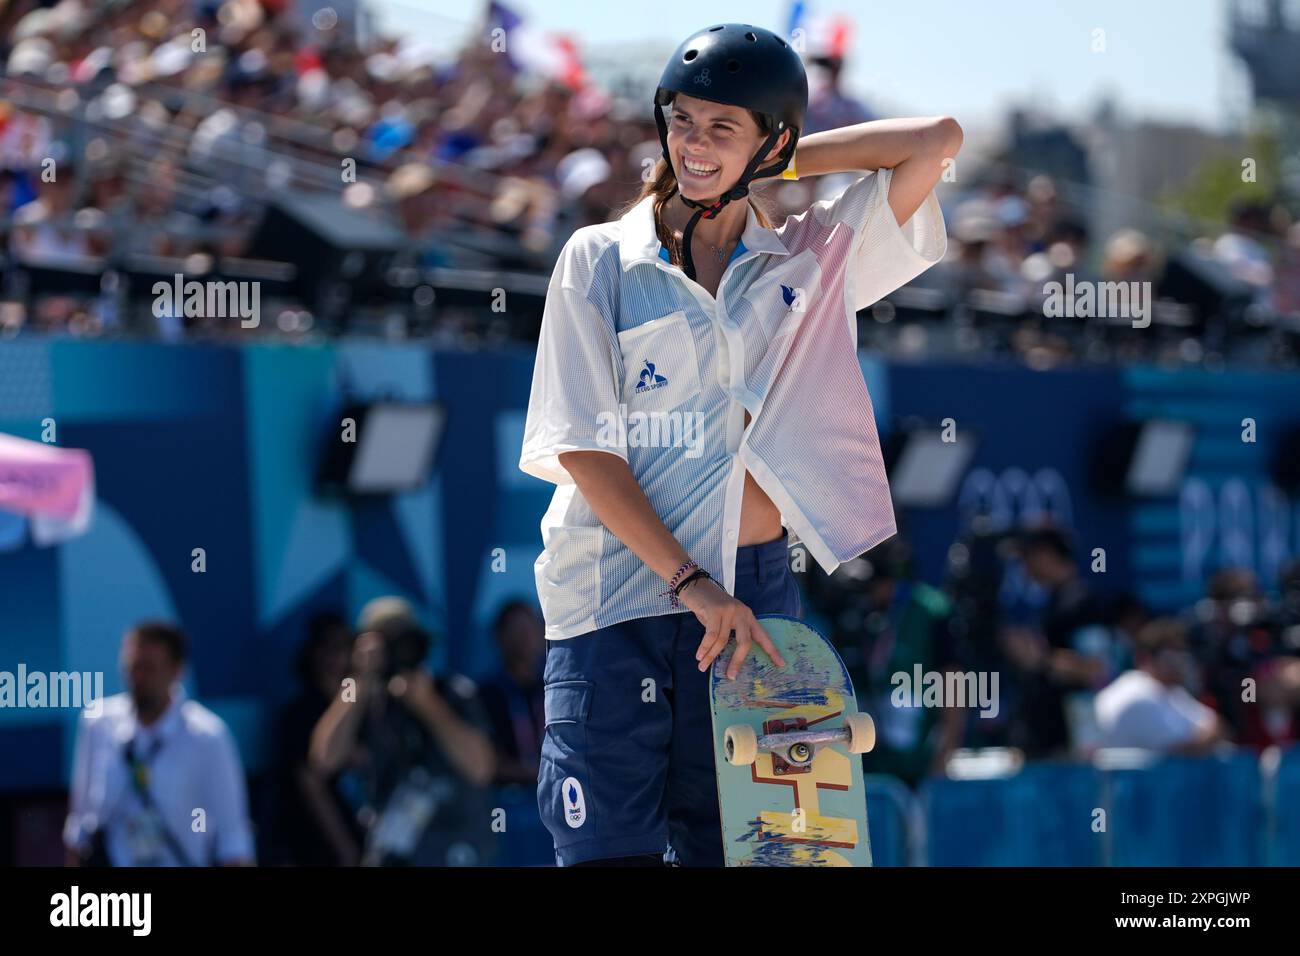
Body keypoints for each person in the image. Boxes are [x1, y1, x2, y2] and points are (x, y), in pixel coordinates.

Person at [519, 22, 956, 866]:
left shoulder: (810, 258)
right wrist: (691, 585)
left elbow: (936, 142)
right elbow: (584, 450)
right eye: (682, 121)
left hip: (755, 603)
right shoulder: (597, 260)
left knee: (761, 857)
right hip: (617, 598)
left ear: (774, 142)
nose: (693, 145)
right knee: (609, 857)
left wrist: (779, 162)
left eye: (723, 127)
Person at [309, 597, 497, 866]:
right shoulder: (361, 699)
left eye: (403, 641)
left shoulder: (452, 692)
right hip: (392, 854)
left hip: (459, 851)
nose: (398, 652)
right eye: (386, 644)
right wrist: (360, 679)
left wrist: (427, 704)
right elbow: (324, 759)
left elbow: (481, 768)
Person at [63, 621, 255, 867]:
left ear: (177, 671)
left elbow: (232, 837)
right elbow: (79, 824)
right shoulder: (97, 723)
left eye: (149, 669)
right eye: (132, 668)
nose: (138, 678)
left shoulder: (208, 737)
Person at [268, 610, 362, 866]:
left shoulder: (364, 707)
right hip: (313, 848)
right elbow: (311, 782)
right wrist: (346, 850)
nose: (335, 656)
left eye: (343, 647)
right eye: (327, 647)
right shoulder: (300, 714)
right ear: (312, 652)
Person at [1095, 618, 1227, 754]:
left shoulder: (1174, 691)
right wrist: (1208, 737)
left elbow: (1217, 723)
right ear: (1146, 658)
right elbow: (1181, 750)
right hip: (1135, 775)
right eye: (1171, 656)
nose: (1179, 663)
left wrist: (1210, 734)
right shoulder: (1134, 694)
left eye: (1182, 654)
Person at [478, 599, 546, 787]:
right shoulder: (485, 696)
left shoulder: (555, 692)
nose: (525, 637)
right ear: (499, 637)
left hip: (554, 796)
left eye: (530, 629)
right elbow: (487, 763)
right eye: (516, 630)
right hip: (504, 801)